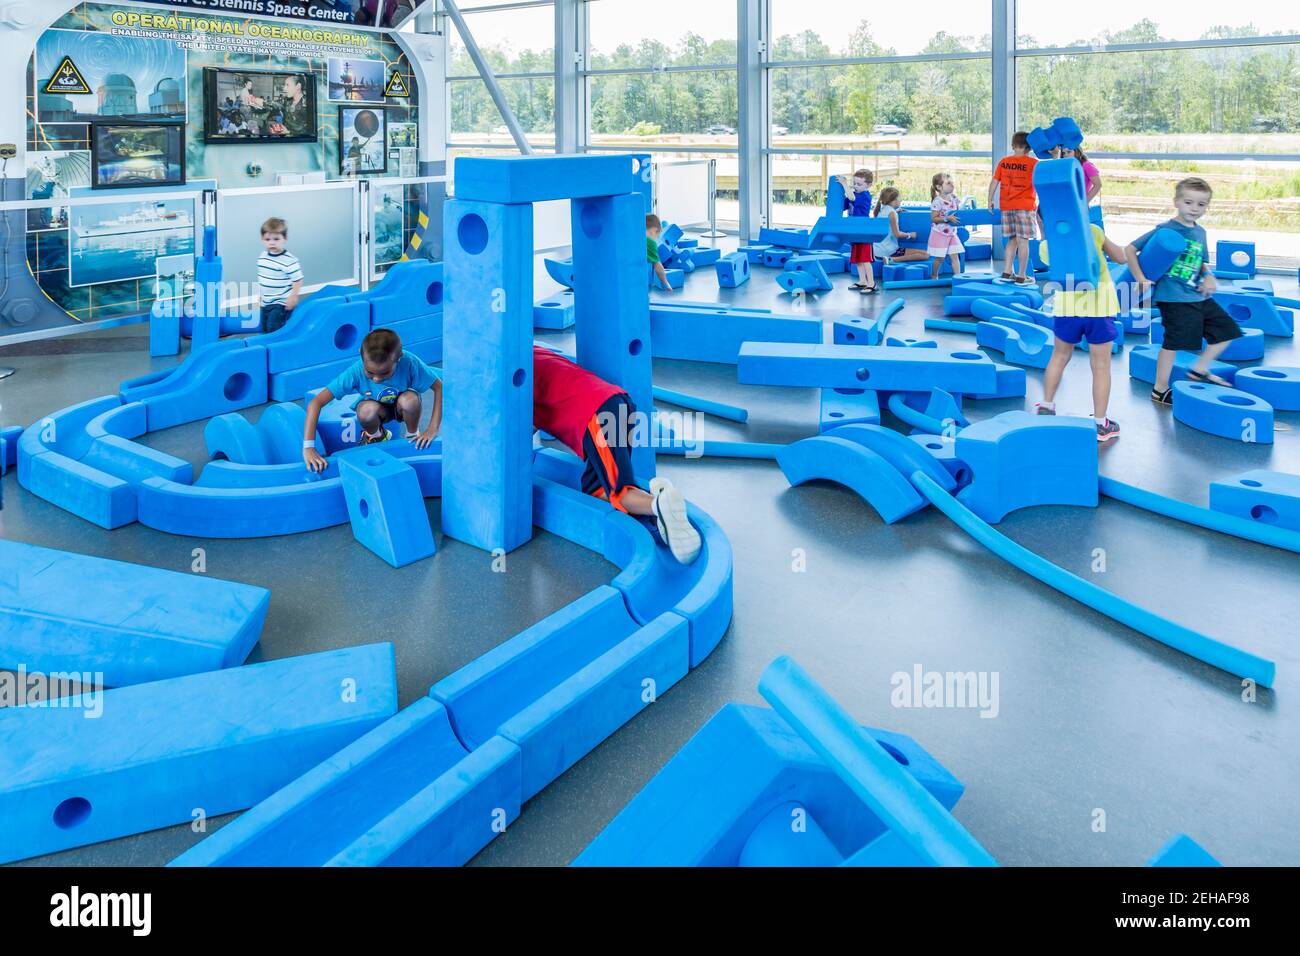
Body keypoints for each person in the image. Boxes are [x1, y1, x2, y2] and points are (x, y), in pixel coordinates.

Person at [533, 346, 701, 565]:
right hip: (619, 401)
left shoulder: (516, 369)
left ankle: (658, 504)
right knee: (596, 489)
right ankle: (659, 503)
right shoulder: (535, 352)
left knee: (619, 493)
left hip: (596, 414)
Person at [1125, 177, 1241, 406]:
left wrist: (1209, 276)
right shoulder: (1165, 230)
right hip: (1173, 297)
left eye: (1201, 204)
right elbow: (1130, 249)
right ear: (1176, 202)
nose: (1195, 209)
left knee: (1227, 331)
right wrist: (1140, 278)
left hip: (1197, 294)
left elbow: (1200, 262)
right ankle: (1159, 389)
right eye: (1189, 202)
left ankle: (1199, 369)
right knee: (1173, 344)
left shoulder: (1200, 232)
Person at [302, 328, 443, 470]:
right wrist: (308, 447)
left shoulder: (409, 362)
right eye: (370, 372)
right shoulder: (355, 371)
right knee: (365, 410)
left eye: (385, 372)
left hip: (402, 405)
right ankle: (375, 436)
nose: (376, 379)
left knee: (410, 400)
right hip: (376, 409)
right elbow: (316, 402)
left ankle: (412, 435)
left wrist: (432, 429)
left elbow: (439, 387)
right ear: (361, 355)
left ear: (399, 358)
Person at [1034, 224, 1124, 443]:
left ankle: (1046, 405)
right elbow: (1121, 257)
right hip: (1099, 308)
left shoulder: (1047, 245)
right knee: (1101, 366)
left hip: (1068, 309)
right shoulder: (1093, 230)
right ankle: (1100, 424)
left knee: (1059, 356)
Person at [989, 131, 1039, 285]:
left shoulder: (1004, 162)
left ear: (1012, 145)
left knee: (1012, 240)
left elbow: (994, 182)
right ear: (1029, 148)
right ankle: (1022, 276)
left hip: (1007, 206)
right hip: (1025, 207)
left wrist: (990, 200)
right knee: (1023, 241)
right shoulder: (1034, 163)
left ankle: (1006, 271)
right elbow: (1042, 182)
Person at [257, 217, 302, 334]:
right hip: (266, 302)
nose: (271, 242)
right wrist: (261, 294)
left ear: (285, 238)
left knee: (274, 329)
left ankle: (276, 349)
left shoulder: (289, 260)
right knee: (264, 328)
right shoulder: (262, 256)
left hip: (280, 303)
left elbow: (297, 280)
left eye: (276, 239)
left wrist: (293, 296)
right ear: (262, 240)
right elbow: (263, 278)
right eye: (267, 239)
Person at [838, 169, 877, 293]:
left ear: (868, 185)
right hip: (854, 231)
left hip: (864, 231)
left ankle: (871, 283)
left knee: (865, 259)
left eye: (859, 184)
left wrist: (844, 184)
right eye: (854, 183)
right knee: (858, 258)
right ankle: (862, 281)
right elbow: (843, 204)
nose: (855, 186)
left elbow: (851, 198)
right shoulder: (854, 194)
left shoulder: (864, 196)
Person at [871, 187, 927, 265]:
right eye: (899, 198)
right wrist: (910, 235)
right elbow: (897, 234)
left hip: (877, 250)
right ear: (893, 200)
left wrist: (895, 211)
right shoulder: (892, 213)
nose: (900, 200)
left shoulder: (882, 210)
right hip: (888, 251)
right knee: (925, 254)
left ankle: (891, 258)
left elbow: (888, 218)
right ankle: (893, 260)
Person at [928, 173, 964, 280]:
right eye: (948, 183)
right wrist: (947, 219)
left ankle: (958, 278)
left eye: (952, 182)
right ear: (939, 187)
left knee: (955, 256)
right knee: (940, 258)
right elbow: (933, 218)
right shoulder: (937, 201)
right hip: (940, 233)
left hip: (952, 233)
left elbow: (957, 212)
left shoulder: (954, 198)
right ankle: (934, 274)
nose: (952, 185)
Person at [646, 214, 673, 292]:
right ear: (654, 230)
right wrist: (665, 283)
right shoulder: (650, 242)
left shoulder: (634, 235)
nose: (656, 239)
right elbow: (658, 266)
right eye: (657, 236)